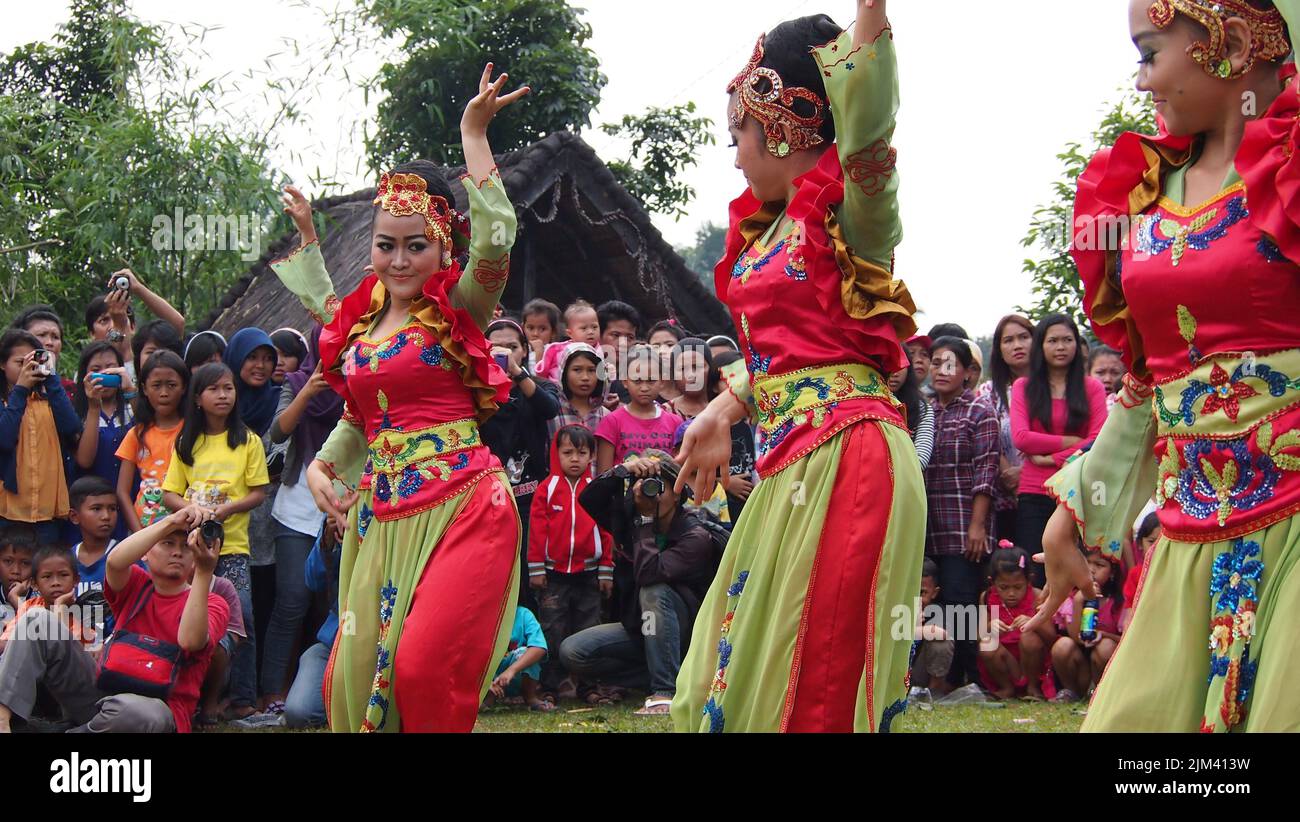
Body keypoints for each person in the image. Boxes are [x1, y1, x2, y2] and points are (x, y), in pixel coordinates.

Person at [1023, 0, 1300, 732]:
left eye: (1150, 53)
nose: (1142, 81)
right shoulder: (1141, 195)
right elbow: (1151, 381)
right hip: (1188, 535)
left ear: (1231, 43)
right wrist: (1073, 510)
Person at [672, 2, 922, 733]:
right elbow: (782, 352)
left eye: (738, 136)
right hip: (789, 465)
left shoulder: (850, 209)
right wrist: (722, 408)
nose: (736, 156)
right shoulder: (767, 230)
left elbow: (871, 133)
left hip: (851, 458)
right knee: (718, 684)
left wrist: (870, 14)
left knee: (813, 690)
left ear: (777, 123)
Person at [273, 64, 528, 733]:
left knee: (419, 671)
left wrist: (474, 132)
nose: (399, 259)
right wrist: (321, 467)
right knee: (351, 684)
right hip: (380, 521)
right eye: (386, 245)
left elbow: (497, 240)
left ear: (443, 246)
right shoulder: (362, 326)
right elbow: (359, 415)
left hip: (463, 507)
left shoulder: (460, 311)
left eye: (417, 245)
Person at [0, 508, 227, 733]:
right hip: (102, 692)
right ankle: (2, 719)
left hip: (155, 711)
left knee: (141, 712)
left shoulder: (214, 603)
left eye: (186, 547)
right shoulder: (138, 584)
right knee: (36, 618)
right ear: (146, 552)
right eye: (167, 543)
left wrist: (204, 573)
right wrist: (172, 520)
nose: (177, 552)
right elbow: (115, 562)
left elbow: (189, 641)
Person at [565, 450, 715, 717]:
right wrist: (623, 469)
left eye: (660, 487)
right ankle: (662, 675)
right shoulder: (629, 520)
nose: (651, 494)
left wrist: (645, 520)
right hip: (643, 629)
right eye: (645, 485)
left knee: (654, 591)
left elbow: (649, 574)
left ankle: (664, 693)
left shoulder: (695, 535)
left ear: (679, 493)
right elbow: (588, 499)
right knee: (574, 651)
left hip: (690, 636)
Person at [161, 361, 270, 721]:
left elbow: (258, 491)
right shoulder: (186, 441)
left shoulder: (248, 440)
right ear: (197, 398)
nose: (223, 395)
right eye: (214, 389)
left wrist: (226, 510)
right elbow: (170, 494)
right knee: (189, 619)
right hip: (191, 547)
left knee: (243, 621)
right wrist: (192, 509)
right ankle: (188, 695)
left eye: (228, 388)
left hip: (233, 545)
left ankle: (242, 699)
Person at [256, 326, 343, 723]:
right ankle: (274, 689)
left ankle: (325, 690)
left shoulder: (364, 377)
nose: (332, 351)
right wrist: (309, 389)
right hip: (297, 506)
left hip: (347, 505)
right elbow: (276, 432)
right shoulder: (295, 381)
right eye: (326, 345)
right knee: (291, 600)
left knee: (336, 605)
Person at [1009, 313, 1107, 587]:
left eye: (1067, 340)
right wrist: (1069, 442)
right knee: (1034, 572)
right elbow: (1021, 437)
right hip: (1034, 490)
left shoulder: (1092, 387)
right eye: (1053, 341)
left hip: (1076, 490)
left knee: (1075, 571)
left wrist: (1052, 457)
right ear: (1041, 345)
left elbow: (1099, 438)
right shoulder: (1023, 387)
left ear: (1077, 344)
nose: (1060, 347)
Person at [924, 337, 1000, 688]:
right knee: (930, 601)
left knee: (960, 600)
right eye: (935, 362)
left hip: (962, 524)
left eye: (949, 363)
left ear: (968, 372)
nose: (941, 370)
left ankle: (970, 679)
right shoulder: (923, 410)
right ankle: (936, 680)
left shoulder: (980, 411)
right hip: (927, 524)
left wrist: (977, 526)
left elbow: (986, 473)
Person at [528, 425, 612, 703]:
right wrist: (536, 567)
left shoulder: (597, 489)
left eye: (582, 452)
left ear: (591, 456)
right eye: (567, 452)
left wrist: (606, 569)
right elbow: (537, 530)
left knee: (589, 630)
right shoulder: (547, 489)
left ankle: (589, 687)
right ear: (557, 453)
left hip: (589, 574)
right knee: (553, 630)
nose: (574, 458)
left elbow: (607, 530)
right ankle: (549, 688)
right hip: (553, 576)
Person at [482, 317, 561, 609]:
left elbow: (549, 408)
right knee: (493, 571)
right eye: (495, 347)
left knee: (530, 572)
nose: (503, 353)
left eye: (512, 346)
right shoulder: (474, 389)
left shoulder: (539, 386)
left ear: (525, 350)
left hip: (531, 498)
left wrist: (516, 373)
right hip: (487, 498)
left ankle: (532, 642)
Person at [0, 330, 81, 544]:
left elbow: (72, 427)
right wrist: (20, 389)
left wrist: (51, 377)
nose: (29, 369)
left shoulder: (49, 400)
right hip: (7, 514)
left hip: (47, 516)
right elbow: (4, 439)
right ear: (2, 364)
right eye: (21, 362)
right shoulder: (4, 403)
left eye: (32, 362)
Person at [976, 314, 1035, 551]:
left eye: (1024, 337)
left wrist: (1027, 473)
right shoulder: (989, 391)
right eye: (1008, 340)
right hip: (1002, 496)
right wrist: (1009, 474)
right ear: (999, 349)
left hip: (1046, 488)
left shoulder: (1051, 387)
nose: (1017, 345)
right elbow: (988, 439)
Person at [115, 351, 188, 532]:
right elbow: (122, 492)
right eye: (156, 385)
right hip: (146, 526)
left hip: (186, 525)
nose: (164, 393)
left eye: (171, 385)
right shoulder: (136, 435)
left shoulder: (193, 432)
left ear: (184, 387)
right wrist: (139, 535)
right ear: (145, 388)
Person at [977, 543, 1056, 701]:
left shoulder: (1038, 596)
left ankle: (1032, 687)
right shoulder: (986, 598)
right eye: (1004, 587)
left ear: (1029, 580)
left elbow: (1051, 637)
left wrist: (1034, 622)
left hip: (1033, 659)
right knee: (986, 644)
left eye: (1018, 587)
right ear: (992, 582)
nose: (1011, 593)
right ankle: (1006, 688)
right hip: (1006, 659)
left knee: (1029, 637)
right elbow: (979, 636)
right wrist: (989, 627)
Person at [72, 342, 134, 541]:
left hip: (136, 503)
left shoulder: (133, 408)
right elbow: (85, 460)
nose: (104, 375)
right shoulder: (76, 413)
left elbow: (150, 432)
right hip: (94, 510)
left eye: (111, 368)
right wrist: (93, 407)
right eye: (96, 370)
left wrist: (130, 390)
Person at [1050, 544, 1123, 703]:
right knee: (1062, 645)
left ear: (1112, 573)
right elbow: (1076, 637)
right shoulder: (1072, 597)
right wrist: (1078, 602)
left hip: (1105, 662)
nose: (1091, 569)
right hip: (1080, 663)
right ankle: (1071, 692)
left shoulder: (1117, 602)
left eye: (1100, 565)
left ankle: (1099, 693)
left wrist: (1103, 635)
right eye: (1087, 563)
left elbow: (1126, 640)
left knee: (1105, 647)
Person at [283, 523, 339, 729]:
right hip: (336, 640)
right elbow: (313, 581)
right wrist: (328, 539)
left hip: (387, 639)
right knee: (299, 711)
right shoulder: (341, 511)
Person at [595, 344, 683, 473]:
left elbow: (680, 472)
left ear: (662, 381)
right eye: (637, 381)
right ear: (625, 381)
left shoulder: (675, 422)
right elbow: (603, 475)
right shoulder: (612, 421)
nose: (644, 388)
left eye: (651, 380)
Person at [0, 545, 92, 655]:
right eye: (47, 577)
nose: (56, 582)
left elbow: (65, 653)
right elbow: (6, 643)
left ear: (76, 580)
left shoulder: (88, 609)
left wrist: (59, 607)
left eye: (63, 575)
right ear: (34, 584)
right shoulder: (29, 607)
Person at [66, 476, 118, 637]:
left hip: (114, 644)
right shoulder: (63, 560)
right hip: (71, 645)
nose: (106, 516)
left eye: (112, 508)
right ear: (75, 516)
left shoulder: (125, 557)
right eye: (97, 509)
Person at [483, 604, 550, 711]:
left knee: (525, 652)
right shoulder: (479, 617)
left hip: (515, 675)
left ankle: (530, 697)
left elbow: (539, 647)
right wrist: (484, 683)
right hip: (486, 675)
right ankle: (486, 697)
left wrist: (511, 671)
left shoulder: (523, 614)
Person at [548, 343, 610, 438]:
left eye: (591, 370)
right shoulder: (552, 413)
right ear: (563, 373)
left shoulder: (606, 416)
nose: (585, 377)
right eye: (577, 370)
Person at [910, 559, 953, 697]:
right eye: (911, 591)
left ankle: (933, 691)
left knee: (941, 643)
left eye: (922, 593)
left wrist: (916, 630)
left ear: (934, 593)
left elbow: (943, 635)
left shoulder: (937, 611)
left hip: (919, 673)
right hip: (895, 674)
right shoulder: (895, 608)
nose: (916, 598)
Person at [889, 345, 933, 470]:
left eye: (901, 365)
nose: (895, 372)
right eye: (888, 364)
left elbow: (921, 457)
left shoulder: (922, 409)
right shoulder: (865, 405)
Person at [521, 298, 561, 371]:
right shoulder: (519, 349)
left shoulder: (556, 353)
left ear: (553, 332)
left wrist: (539, 352)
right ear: (523, 328)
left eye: (542, 329)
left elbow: (543, 379)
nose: (535, 334)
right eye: (530, 328)